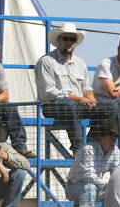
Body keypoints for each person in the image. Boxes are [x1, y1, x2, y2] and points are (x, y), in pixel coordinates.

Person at [35, 23, 98, 155]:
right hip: (52, 106)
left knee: (111, 107)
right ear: (59, 39)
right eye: (66, 39)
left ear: (76, 43)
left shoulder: (80, 63)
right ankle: (79, 149)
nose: (69, 42)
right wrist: (80, 98)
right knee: (70, 104)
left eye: (72, 39)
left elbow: (86, 86)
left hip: (78, 104)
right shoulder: (46, 61)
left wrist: (90, 96)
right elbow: (49, 92)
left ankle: (93, 145)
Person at [65, 121, 120, 207]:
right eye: (110, 138)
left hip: (97, 187)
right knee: (89, 187)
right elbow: (88, 175)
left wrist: (114, 185)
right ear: (101, 138)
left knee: (118, 190)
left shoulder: (115, 151)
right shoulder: (88, 149)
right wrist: (107, 184)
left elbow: (117, 173)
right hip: (74, 187)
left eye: (115, 138)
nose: (113, 141)